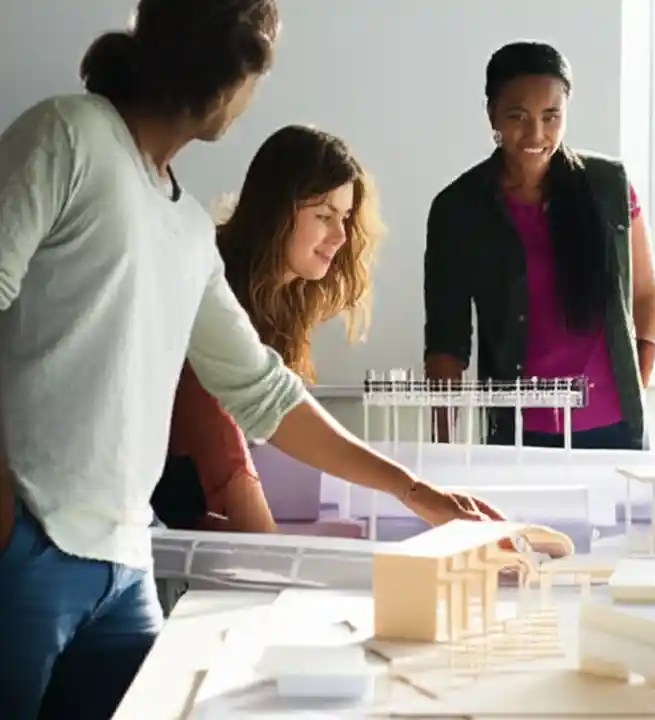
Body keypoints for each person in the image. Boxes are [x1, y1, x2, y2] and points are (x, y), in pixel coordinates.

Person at [0, 3, 499, 718]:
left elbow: (263, 391)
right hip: (30, 548)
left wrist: (413, 490)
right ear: (227, 72)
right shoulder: (67, 135)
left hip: (124, 560)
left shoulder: (185, 227)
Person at [152, 125, 500, 532]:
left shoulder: (281, 300)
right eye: (323, 216)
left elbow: (272, 420)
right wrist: (412, 493)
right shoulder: (211, 292)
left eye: (345, 217)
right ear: (276, 212)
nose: (339, 236)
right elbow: (231, 449)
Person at [423, 40, 655, 450]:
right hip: (517, 429)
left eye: (551, 117)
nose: (536, 134)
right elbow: (447, 341)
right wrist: (441, 449)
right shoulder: (458, 208)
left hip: (615, 428)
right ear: (492, 114)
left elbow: (644, 294)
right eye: (518, 116)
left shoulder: (609, 186)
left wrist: (637, 384)